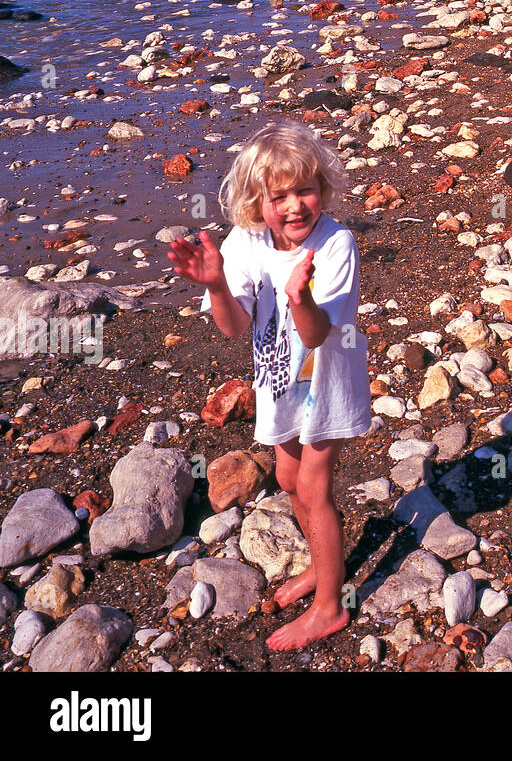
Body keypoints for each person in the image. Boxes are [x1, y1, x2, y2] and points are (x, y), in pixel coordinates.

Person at [167, 121, 365, 652]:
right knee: (287, 475)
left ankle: (329, 606)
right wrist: (215, 285)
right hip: (278, 378)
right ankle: (325, 571)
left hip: (329, 380)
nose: (296, 206)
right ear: (257, 203)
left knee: (315, 489)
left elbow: (320, 334)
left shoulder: (336, 244)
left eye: (306, 190)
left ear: (323, 189)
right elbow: (234, 327)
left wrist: (300, 297)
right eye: (280, 196)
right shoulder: (248, 242)